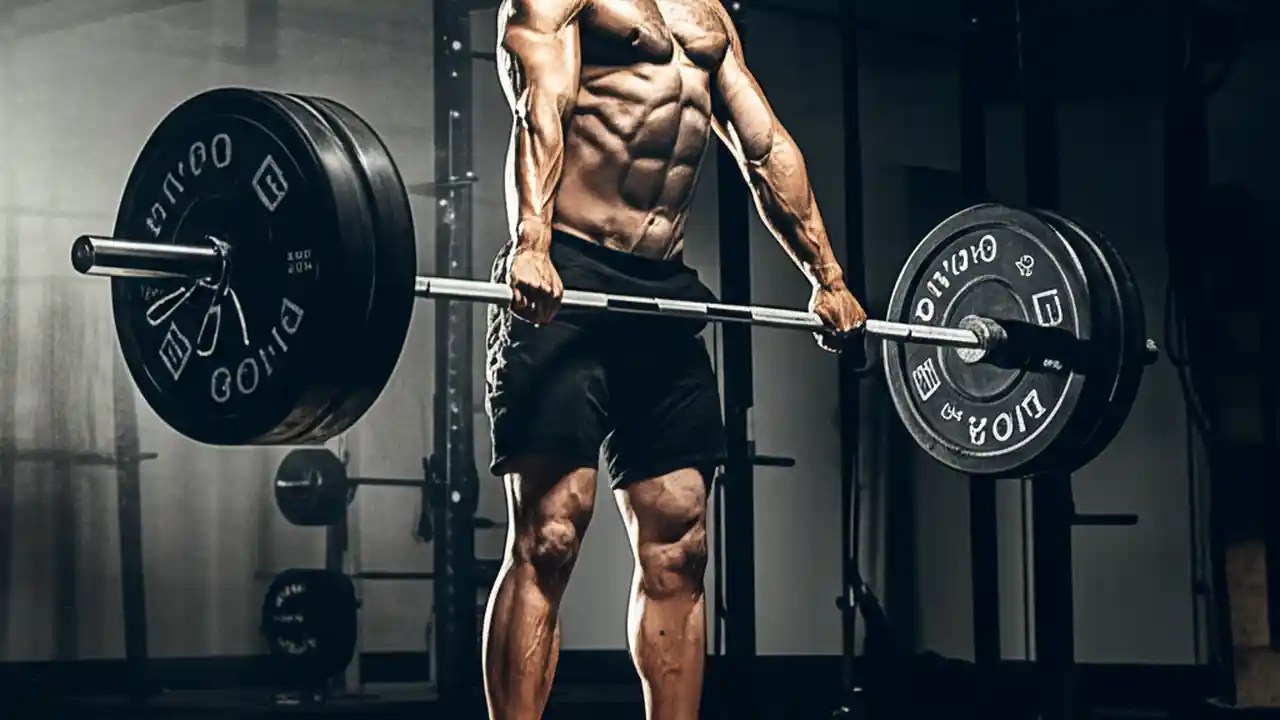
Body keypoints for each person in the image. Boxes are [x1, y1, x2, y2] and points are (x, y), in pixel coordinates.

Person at [481, 1, 866, 718]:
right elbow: (542, 106)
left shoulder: (706, 12)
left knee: (681, 543)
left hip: (661, 292)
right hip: (567, 274)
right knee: (552, 533)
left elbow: (764, 147)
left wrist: (829, 277)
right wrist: (531, 239)